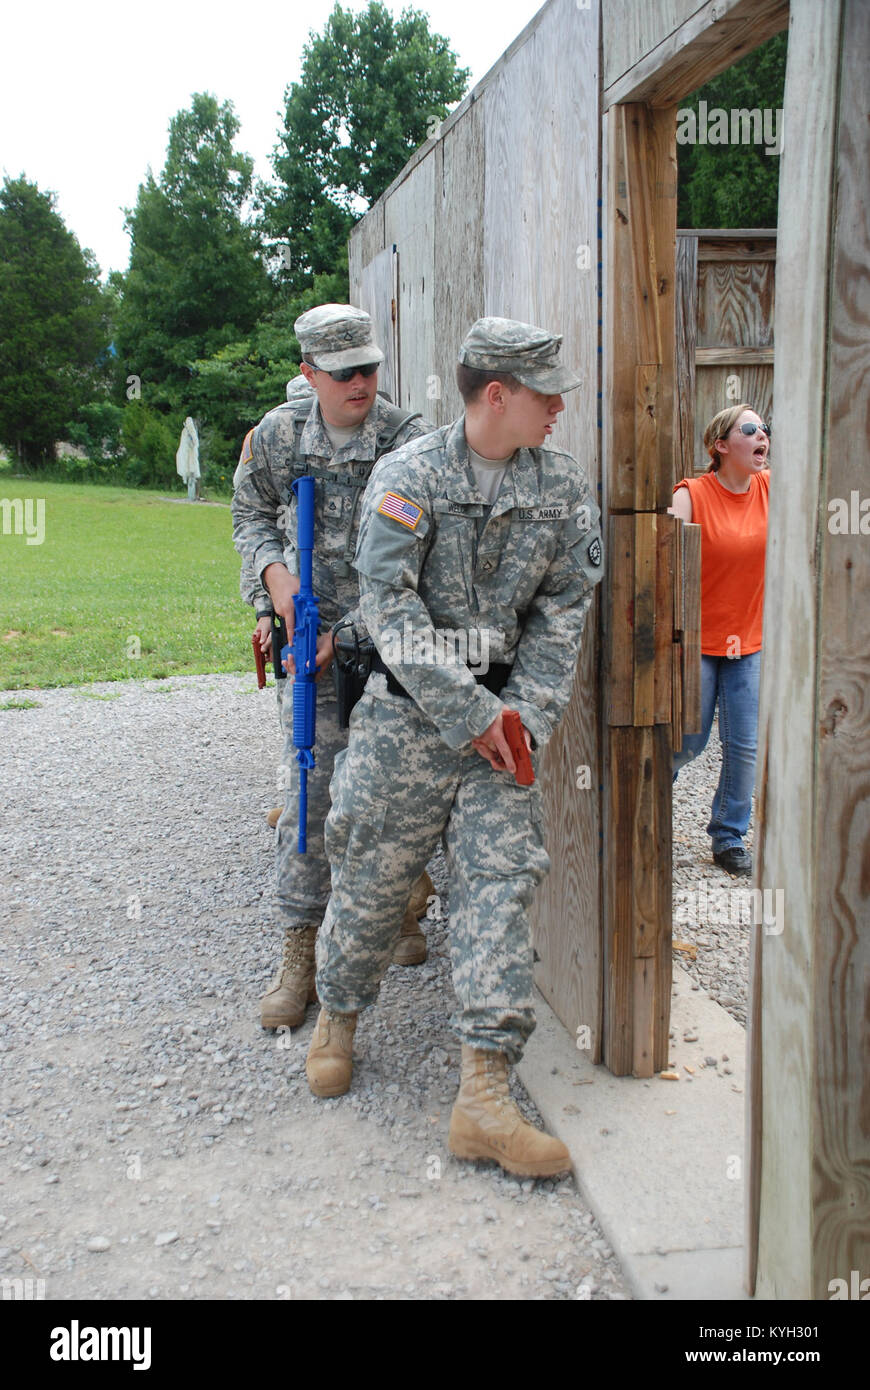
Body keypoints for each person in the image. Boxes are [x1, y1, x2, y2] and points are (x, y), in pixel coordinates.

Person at [305, 317, 603, 1179]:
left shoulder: (559, 487)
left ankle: (484, 1093)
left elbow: (560, 614)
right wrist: (469, 711)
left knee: (501, 887)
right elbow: (391, 613)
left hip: (504, 728)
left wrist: (525, 718)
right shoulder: (409, 477)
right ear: (497, 396)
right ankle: (339, 1013)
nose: (558, 410)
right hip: (408, 718)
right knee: (369, 875)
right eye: (546, 395)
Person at [232, 305, 436, 1031]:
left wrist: (348, 629)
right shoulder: (280, 436)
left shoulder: (408, 440)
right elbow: (249, 515)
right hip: (311, 645)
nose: (361, 382)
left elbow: (422, 561)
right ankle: (299, 954)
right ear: (309, 374)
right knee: (310, 797)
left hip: (386, 648)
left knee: (390, 796)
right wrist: (277, 587)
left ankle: (407, 903)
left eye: (371, 367)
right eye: (344, 371)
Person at [670, 402, 771, 877]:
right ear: (721, 445)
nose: (762, 436)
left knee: (744, 747)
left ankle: (728, 838)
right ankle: (645, 815)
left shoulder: (771, 488)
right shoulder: (693, 493)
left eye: (764, 430)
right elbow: (660, 542)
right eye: (750, 429)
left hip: (747, 641)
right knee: (688, 742)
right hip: (699, 642)